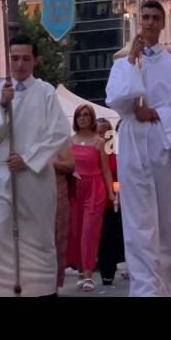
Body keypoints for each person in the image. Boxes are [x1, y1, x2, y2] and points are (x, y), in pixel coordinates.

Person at [106, 0, 171, 297]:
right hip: (134, 144)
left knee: (164, 219)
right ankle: (143, 290)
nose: (149, 23)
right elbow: (118, 99)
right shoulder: (123, 63)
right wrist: (131, 61)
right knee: (137, 220)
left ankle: (160, 285)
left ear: (163, 24)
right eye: (145, 17)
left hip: (163, 144)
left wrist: (158, 114)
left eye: (155, 18)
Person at [0, 35, 72, 297]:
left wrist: (29, 158)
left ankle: (41, 290)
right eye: (14, 58)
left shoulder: (45, 91)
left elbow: (59, 133)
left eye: (25, 58)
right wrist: (3, 106)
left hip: (34, 178)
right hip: (2, 176)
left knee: (37, 237)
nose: (20, 64)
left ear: (35, 61)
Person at [65, 105, 114, 292]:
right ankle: (79, 269)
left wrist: (111, 190)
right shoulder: (70, 141)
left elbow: (105, 169)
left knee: (89, 231)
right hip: (75, 188)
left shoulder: (99, 142)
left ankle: (88, 274)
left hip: (94, 187)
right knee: (76, 231)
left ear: (91, 118)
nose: (83, 118)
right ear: (76, 119)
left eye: (86, 115)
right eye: (79, 116)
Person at [97, 119, 125, 286]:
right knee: (102, 236)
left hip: (114, 199)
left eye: (106, 132)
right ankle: (104, 269)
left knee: (113, 235)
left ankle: (111, 268)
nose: (103, 136)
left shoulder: (116, 153)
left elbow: (121, 173)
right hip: (97, 198)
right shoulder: (94, 150)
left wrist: (118, 191)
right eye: (99, 132)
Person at [52, 142, 75, 290]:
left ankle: (53, 285)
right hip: (31, 196)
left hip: (56, 193)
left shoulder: (59, 140)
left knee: (56, 239)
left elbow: (70, 165)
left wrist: (51, 164)